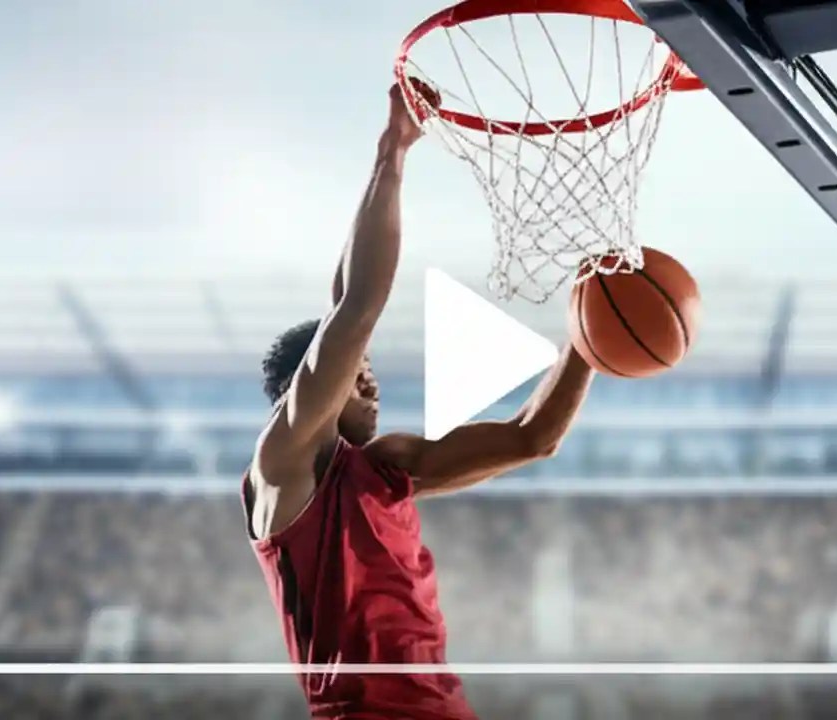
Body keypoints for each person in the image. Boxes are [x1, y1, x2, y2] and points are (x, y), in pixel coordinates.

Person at [243, 80, 594, 720]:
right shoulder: (280, 466)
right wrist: (394, 151)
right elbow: (353, 309)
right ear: (311, 383)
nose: (371, 382)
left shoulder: (384, 470)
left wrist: (588, 337)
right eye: (357, 371)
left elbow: (533, 437)